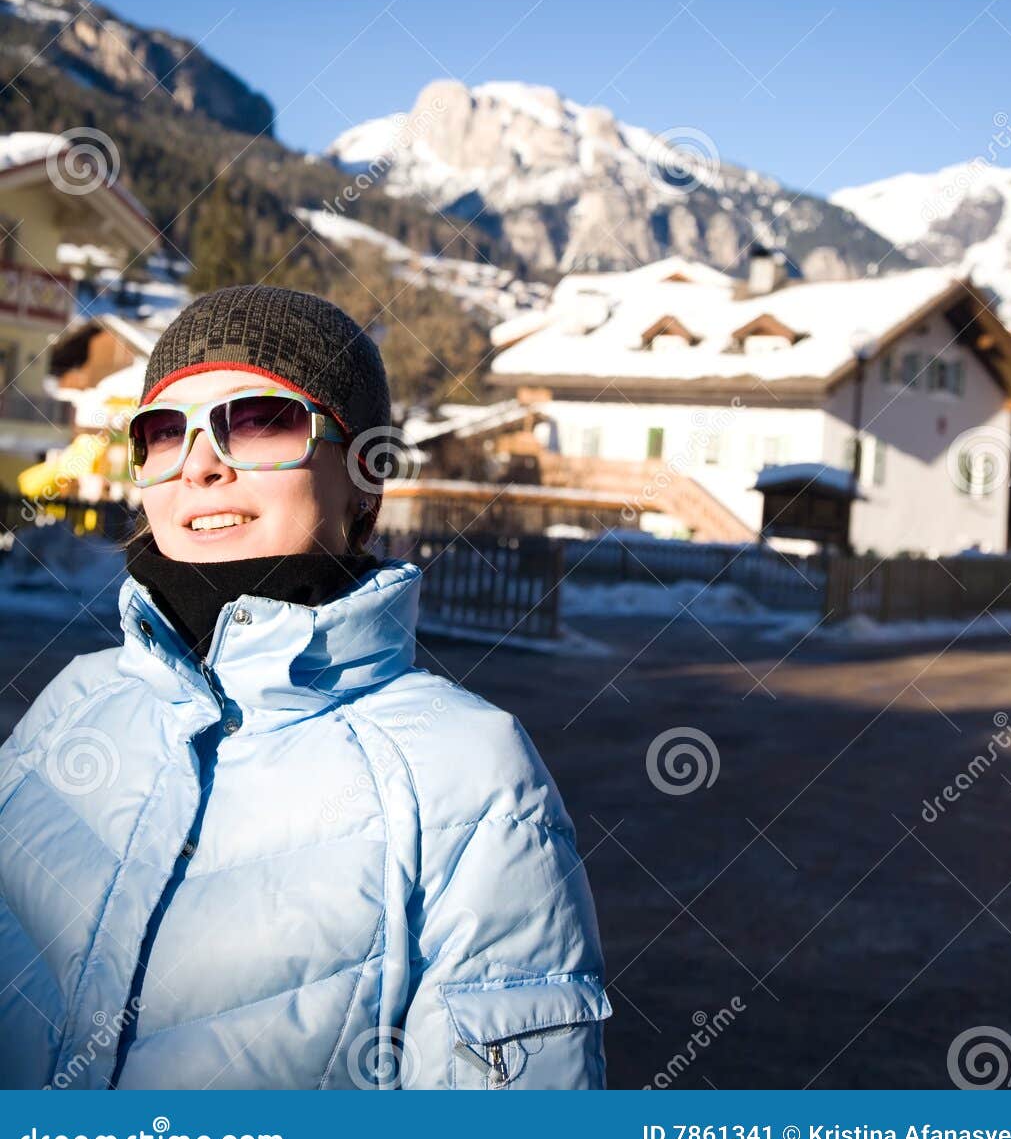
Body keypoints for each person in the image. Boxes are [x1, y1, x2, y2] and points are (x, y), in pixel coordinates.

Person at [0, 284, 611, 1090]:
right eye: (161, 432)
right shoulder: (73, 703)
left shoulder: (468, 773)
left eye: (258, 421)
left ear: (364, 475)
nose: (201, 464)